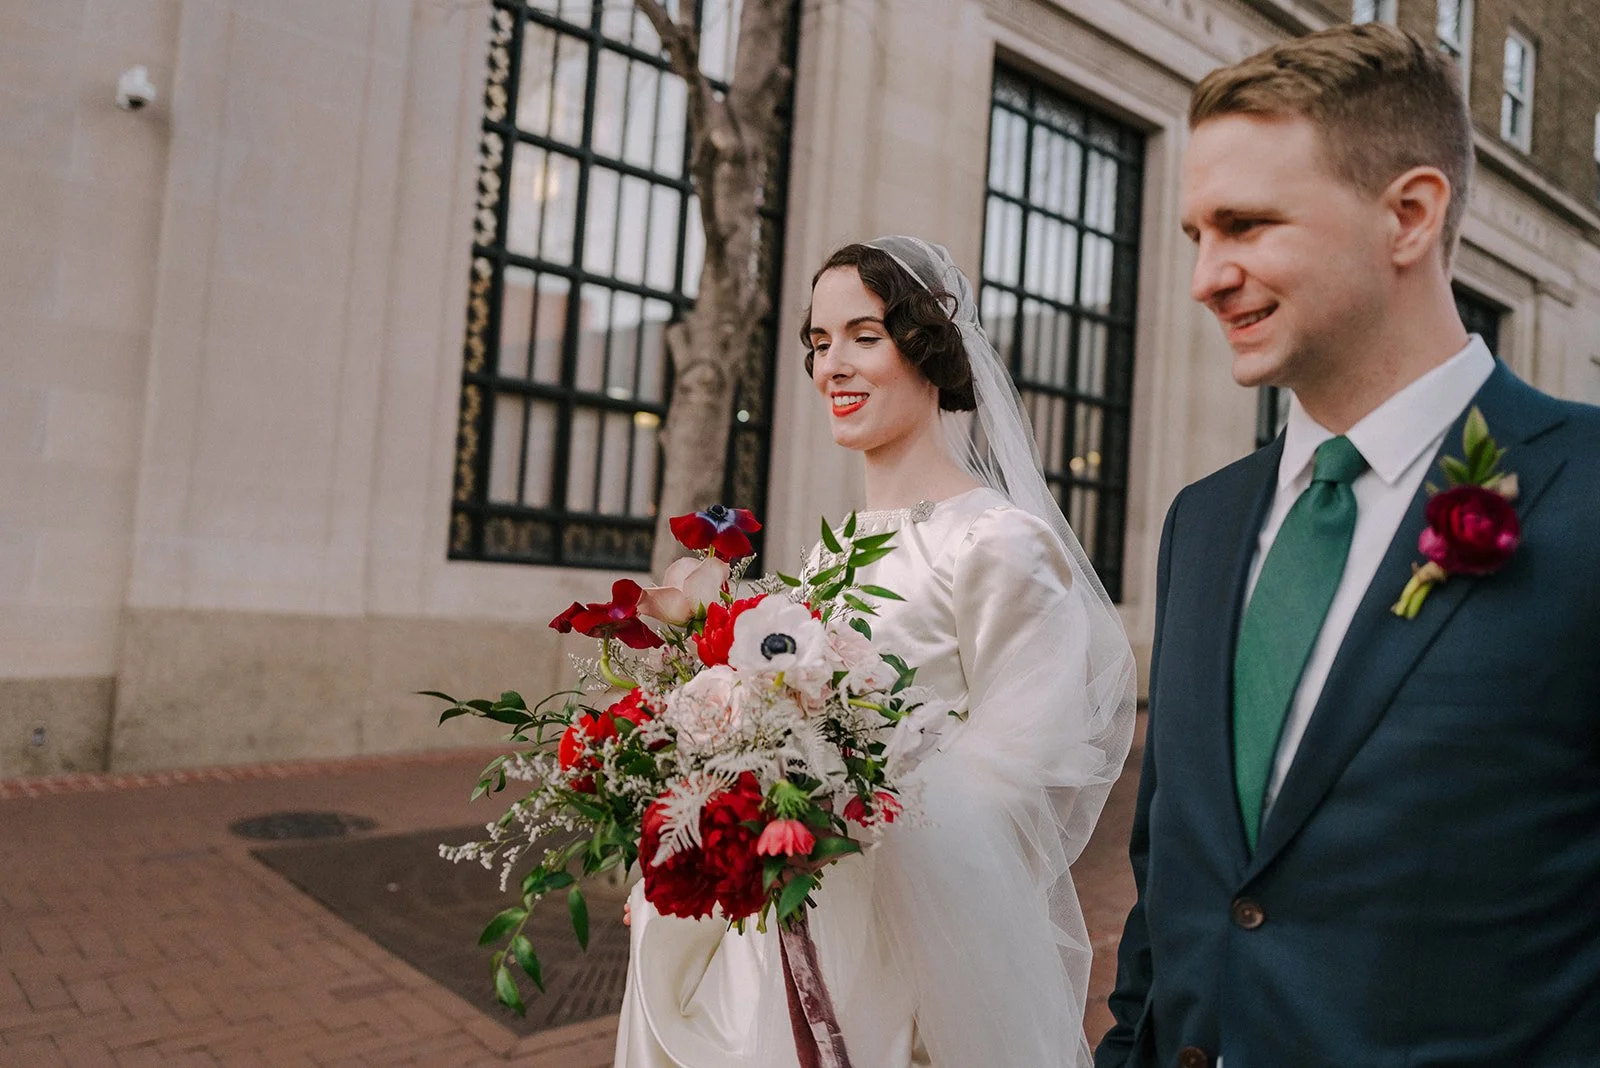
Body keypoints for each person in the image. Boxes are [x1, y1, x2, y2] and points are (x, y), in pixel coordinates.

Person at [1098, 24, 1600, 1068]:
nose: (1203, 276)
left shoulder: (1584, 490)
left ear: (1409, 216)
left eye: (1244, 225)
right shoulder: (1202, 520)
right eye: (1195, 232)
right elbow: (1176, 880)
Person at [613, 236, 1137, 1067]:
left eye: (865, 336)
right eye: (820, 343)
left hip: (916, 965)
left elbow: (1029, 787)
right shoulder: (834, 552)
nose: (833, 368)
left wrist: (832, 799)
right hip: (788, 923)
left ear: (925, 347)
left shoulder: (999, 545)